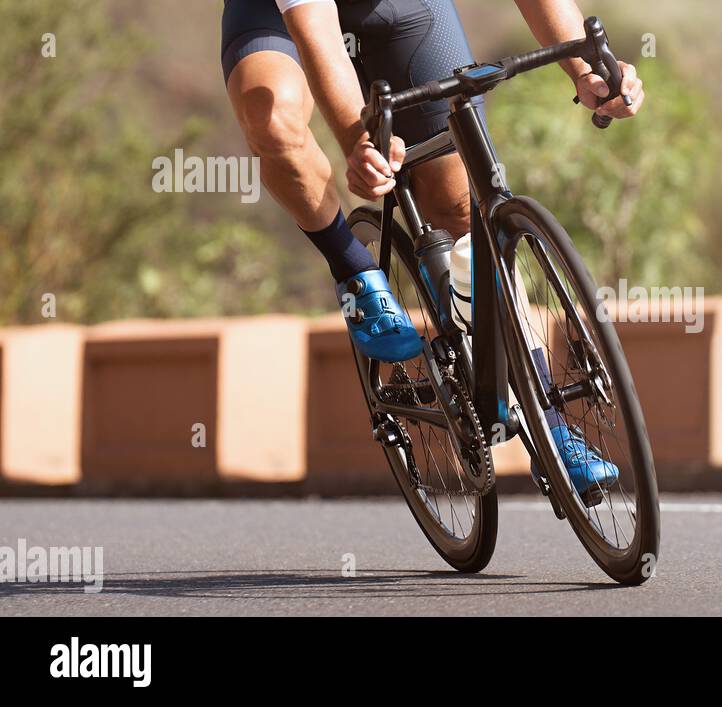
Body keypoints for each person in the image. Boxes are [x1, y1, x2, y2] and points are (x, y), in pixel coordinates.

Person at [221, 0, 644, 495]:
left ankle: (548, 425)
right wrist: (359, 145)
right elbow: (317, 34)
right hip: (283, 18)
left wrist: (588, 70)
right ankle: (354, 268)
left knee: (461, 212)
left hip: (403, 10)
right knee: (271, 119)